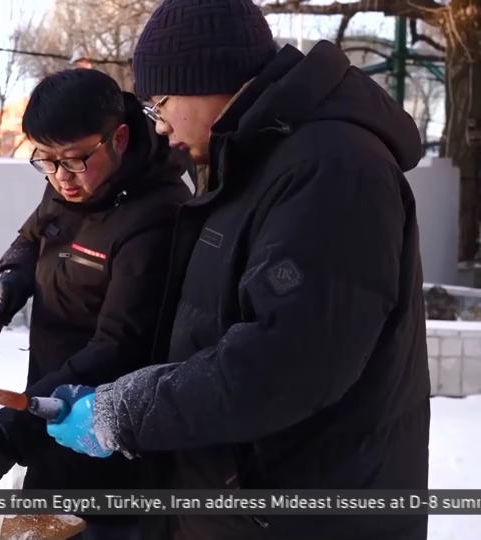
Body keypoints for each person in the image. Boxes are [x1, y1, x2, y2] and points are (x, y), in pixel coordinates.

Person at [45, 1, 430, 540]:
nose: (160, 128)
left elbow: (286, 364)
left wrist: (127, 411)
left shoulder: (333, 169)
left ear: (206, 79)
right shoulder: (253, 162)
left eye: (161, 103)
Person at [0, 68, 192, 540]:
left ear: (118, 137)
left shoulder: (158, 218)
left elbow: (118, 350)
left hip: (110, 446)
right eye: (45, 161)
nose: (59, 177)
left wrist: (9, 430)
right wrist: (11, 273)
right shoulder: (71, 179)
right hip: (46, 420)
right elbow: (35, 234)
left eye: (72, 160)